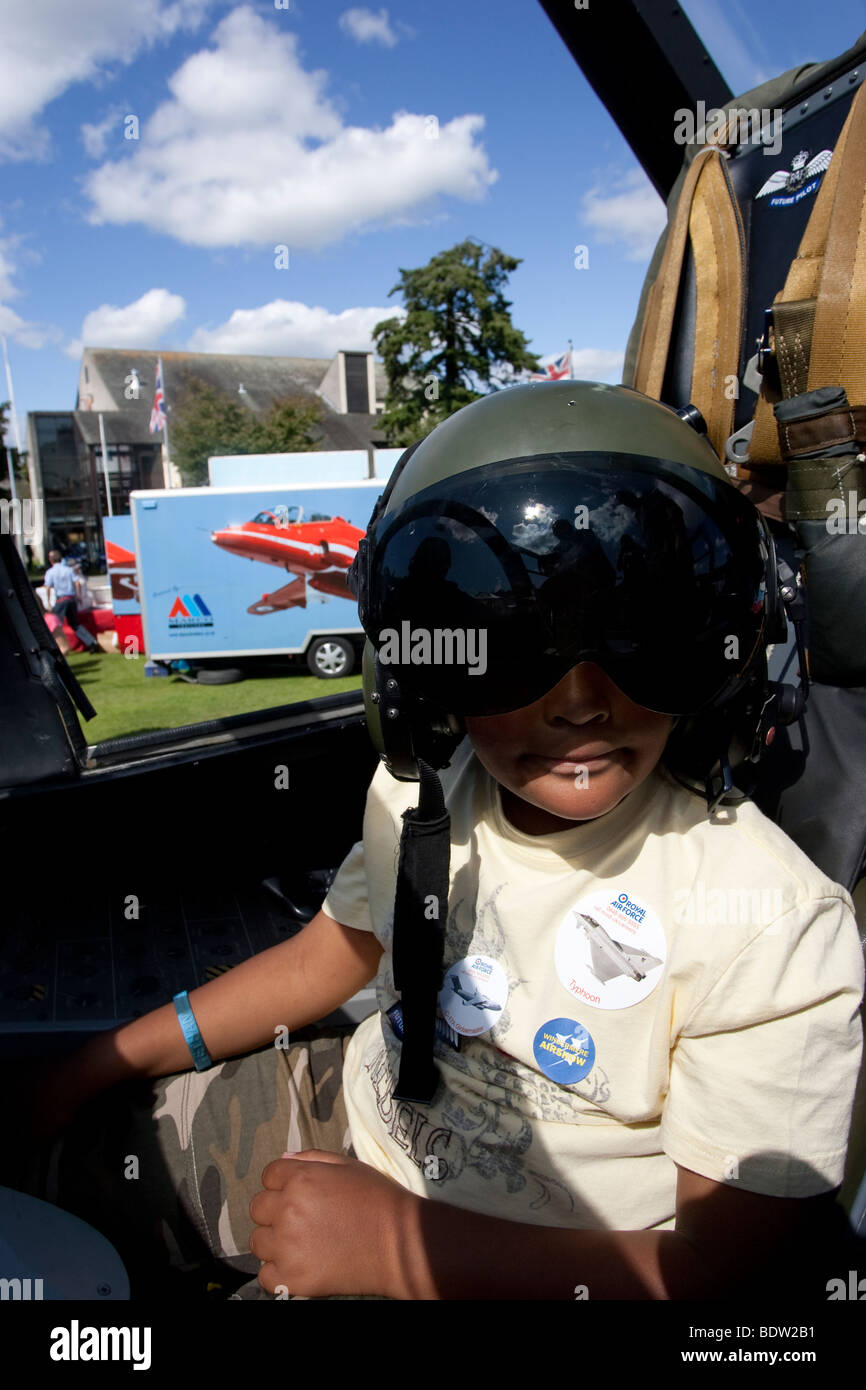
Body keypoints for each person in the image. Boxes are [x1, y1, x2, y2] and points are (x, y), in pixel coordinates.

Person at [11, 383, 864, 1301]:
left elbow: (727, 1279)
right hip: (363, 1112)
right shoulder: (418, 796)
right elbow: (325, 960)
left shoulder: (772, 927)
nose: (579, 701)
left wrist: (395, 1248)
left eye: (637, 636)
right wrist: (99, 1063)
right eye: (509, 645)